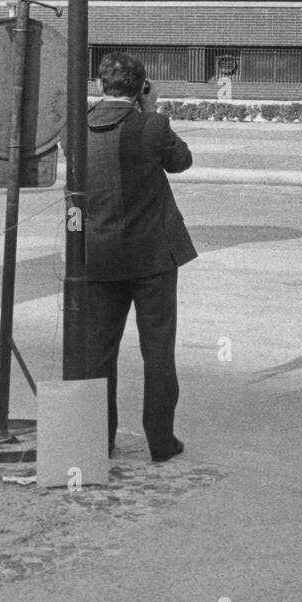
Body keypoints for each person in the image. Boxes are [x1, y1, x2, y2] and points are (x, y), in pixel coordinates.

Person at [83, 51, 197, 462]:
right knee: (158, 350)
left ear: (98, 86)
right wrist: (150, 110)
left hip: (97, 257)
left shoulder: (74, 130)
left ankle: (100, 438)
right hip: (152, 258)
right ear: (141, 88)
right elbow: (182, 161)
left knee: (97, 352)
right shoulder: (152, 125)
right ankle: (161, 443)